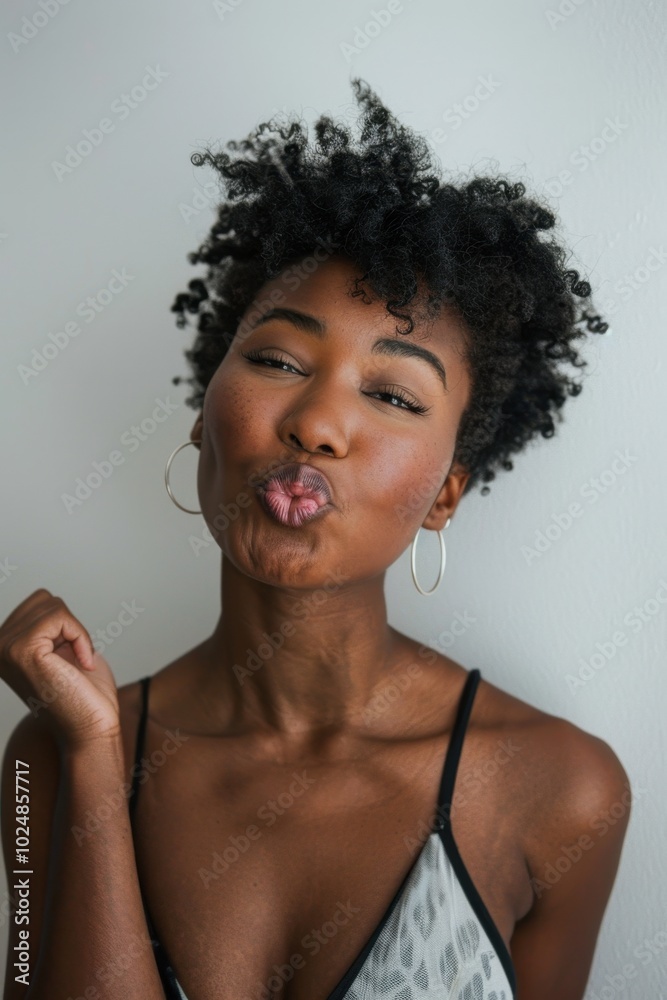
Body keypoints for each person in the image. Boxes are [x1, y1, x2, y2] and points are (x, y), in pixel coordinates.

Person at [0, 78, 630, 1000]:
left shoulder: (563, 790)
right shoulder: (48, 755)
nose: (316, 424)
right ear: (202, 418)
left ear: (445, 495)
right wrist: (93, 755)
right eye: (277, 360)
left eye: (393, 395)